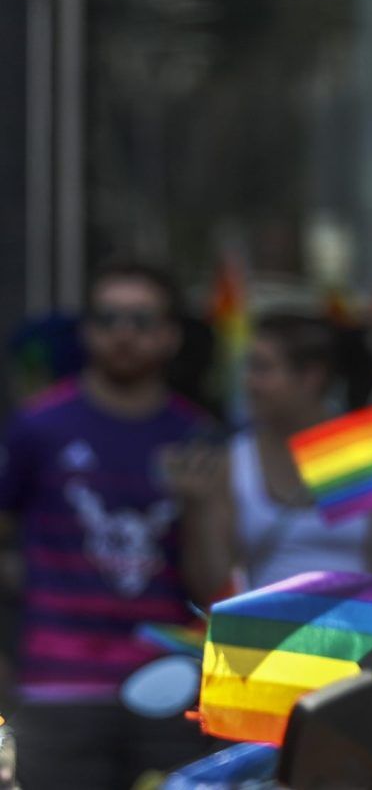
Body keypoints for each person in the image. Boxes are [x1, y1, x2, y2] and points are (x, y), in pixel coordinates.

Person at [0, 261, 214, 788]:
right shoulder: (37, 427)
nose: (123, 334)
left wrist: (202, 507)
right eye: (109, 318)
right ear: (86, 331)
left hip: (172, 687)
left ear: (170, 337)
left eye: (141, 321)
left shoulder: (198, 435)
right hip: (58, 688)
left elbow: (214, 586)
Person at [176, 313, 372, 596]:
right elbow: (213, 591)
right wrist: (198, 509)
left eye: (262, 368)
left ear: (311, 377)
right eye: (248, 367)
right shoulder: (233, 459)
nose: (248, 382)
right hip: (259, 636)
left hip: (359, 637)